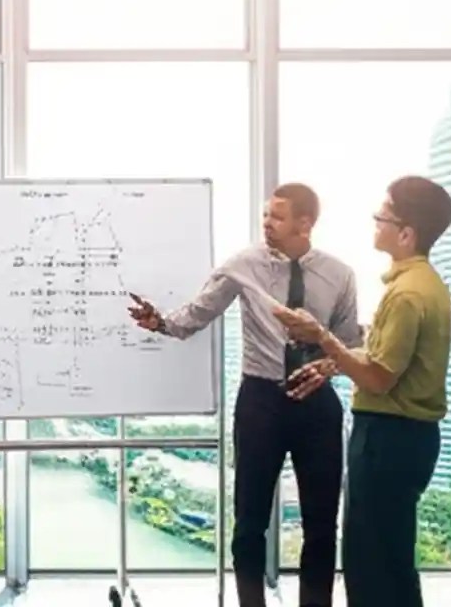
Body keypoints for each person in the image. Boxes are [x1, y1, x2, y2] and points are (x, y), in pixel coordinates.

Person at [128, 183, 360, 607]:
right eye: (266, 215)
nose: (267, 223)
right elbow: (195, 314)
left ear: (305, 223)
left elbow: (346, 344)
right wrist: (159, 322)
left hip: (318, 405)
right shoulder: (242, 265)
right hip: (260, 403)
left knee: (323, 526)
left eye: (277, 216)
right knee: (249, 523)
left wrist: (335, 364)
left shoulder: (339, 274)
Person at [274, 175, 451, 607]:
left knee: (369, 564)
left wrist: (323, 337)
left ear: (407, 233)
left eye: (383, 216)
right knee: (391, 561)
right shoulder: (424, 284)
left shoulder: (408, 294)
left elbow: (377, 378)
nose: (376, 222)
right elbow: (385, 356)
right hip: (407, 438)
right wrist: (336, 362)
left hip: (387, 439)